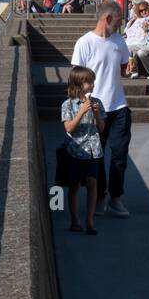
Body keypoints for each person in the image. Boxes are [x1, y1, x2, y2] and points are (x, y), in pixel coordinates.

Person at [71, 2, 134, 218]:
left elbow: (123, 70)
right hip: (95, 108)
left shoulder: (119, 41)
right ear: (108, 18)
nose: (121, 25)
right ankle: (99, 198)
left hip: (119, 106)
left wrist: (128, 69)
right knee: (96, 157)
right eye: (118, 21)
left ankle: (116, 198)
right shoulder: (85, 43)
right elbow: (76, 79)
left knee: (119, 154)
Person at [60, 65, 104, 234]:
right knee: (75, 185)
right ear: (78, 84)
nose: (92, 85)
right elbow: (69, 128)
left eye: (93, 82)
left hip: (93, 149)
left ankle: (90, 221)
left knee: (93, 183)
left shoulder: (97, 102)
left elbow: (101, 128)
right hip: (75, 151)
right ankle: (75, 219)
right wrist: (81, 112)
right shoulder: (68, 105)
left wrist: (97, 114)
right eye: (88, 82)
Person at [123, 1, 149, 77]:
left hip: (143, 41)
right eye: (141, 11)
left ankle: (134, 70)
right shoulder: (133, 20)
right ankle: (133, 70)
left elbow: (147, 31)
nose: (143, 12)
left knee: (129, 48)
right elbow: (126, 31)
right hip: (132, 41)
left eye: (145, 10)